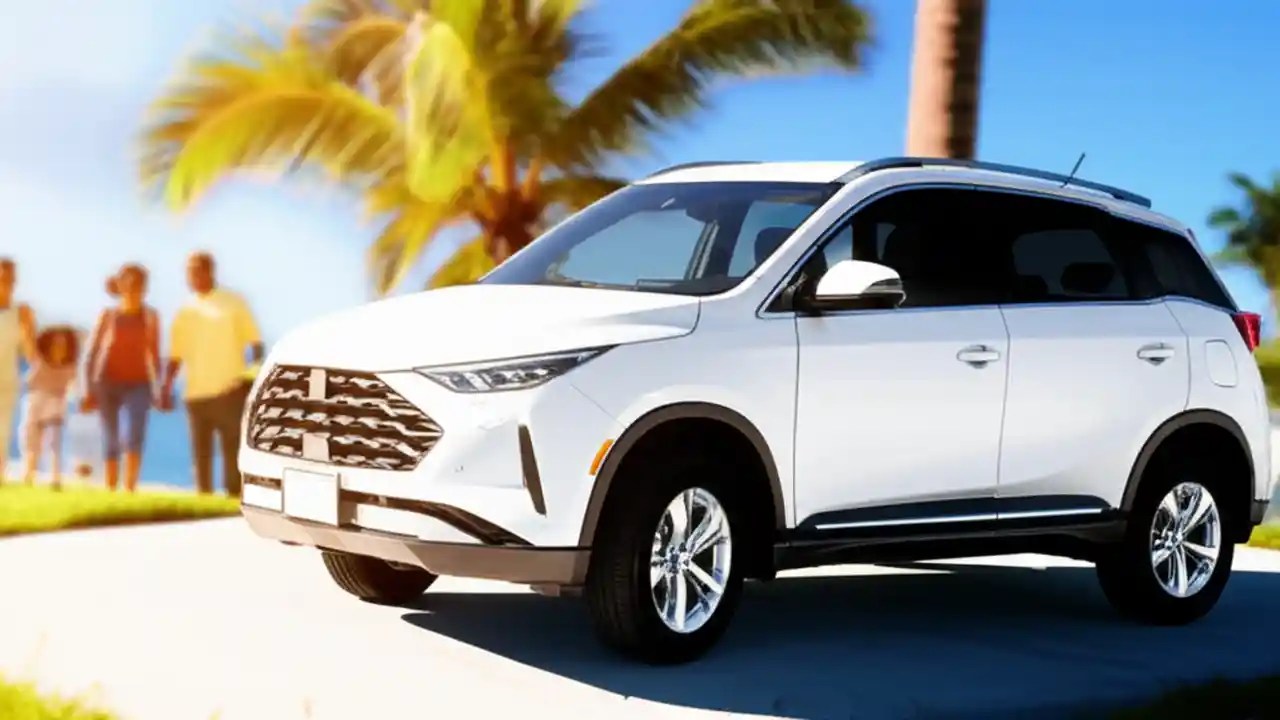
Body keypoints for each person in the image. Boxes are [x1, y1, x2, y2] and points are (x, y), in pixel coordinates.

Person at [162, 252, 263, 496]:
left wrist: (250, 378)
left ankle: (234, 498)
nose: (193, 276)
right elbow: (175, 354)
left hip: (229, 389)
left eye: (197, 270)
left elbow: (256, 344)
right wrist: (165, 387)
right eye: (189, 272)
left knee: (232, 449)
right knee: (201, 453)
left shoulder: (233, 302)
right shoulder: (185, 310)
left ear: (210, 271)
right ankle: (204, 497)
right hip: (195, 393)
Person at [84, 264, 160, 492]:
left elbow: (155, 355)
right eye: (128, 283)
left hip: (139, 383)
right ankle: (110, 489)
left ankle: (129, 489)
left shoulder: (150, 317)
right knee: (111, 436)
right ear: (120, 286)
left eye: (138, 284)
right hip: (106, 382)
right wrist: (88, 390)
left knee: (134, 434)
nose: (133, 289)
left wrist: (160, 390)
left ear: (144, 288)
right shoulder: (108, 315)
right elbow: (92, 353)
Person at [19, 326, 79, 489]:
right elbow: (28, 342)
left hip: (56, 402)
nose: (59, 348)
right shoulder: (38, 359)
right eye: (55, 343)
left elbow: (74, 388)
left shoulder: (70, 367)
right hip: (35, 400)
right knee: (30, 440)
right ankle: (28, 473)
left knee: (53, 440)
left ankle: (55, 477)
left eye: (63, 344)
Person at [0, 258, 37, 485]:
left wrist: (27, 329)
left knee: (2, 432)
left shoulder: (21, 312)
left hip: (7, 382)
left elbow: (30, 354)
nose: (4, 284)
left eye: (8, 279)